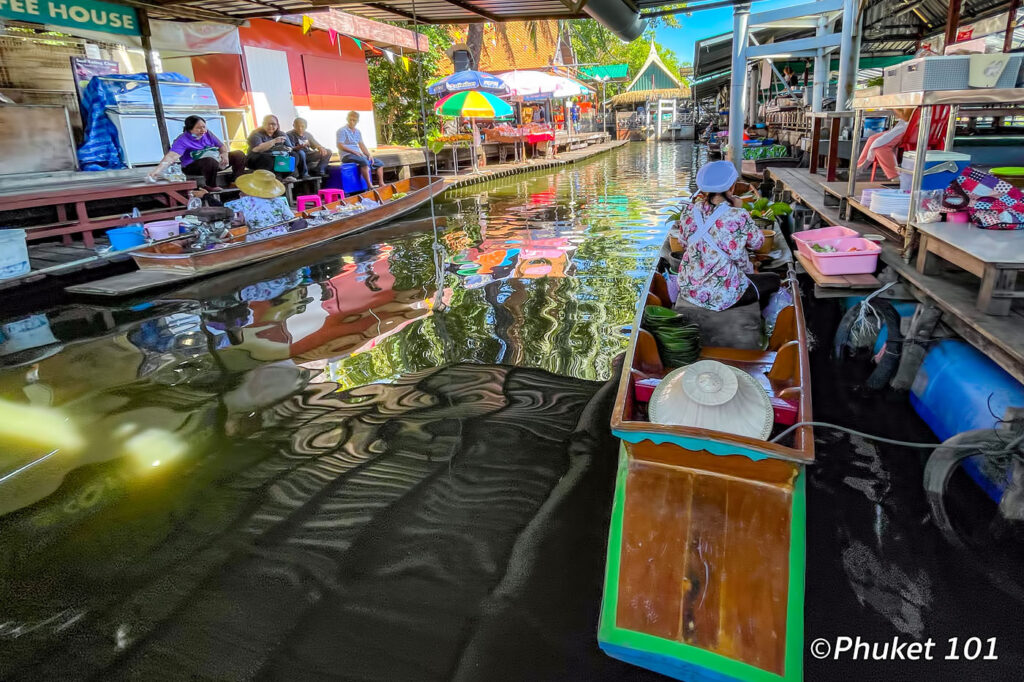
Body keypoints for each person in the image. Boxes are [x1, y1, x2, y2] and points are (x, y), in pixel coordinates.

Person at [675, 160, 779, 311]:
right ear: (732, 186)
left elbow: (683, 243)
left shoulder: (689, 211)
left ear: (703, 190)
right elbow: (758, 243)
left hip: (689, 289)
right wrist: (739, 209)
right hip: (724, 296)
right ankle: (759, 316)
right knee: (774, 280)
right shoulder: (738, 215)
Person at [148, 115, 245, 188]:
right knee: (209, 161)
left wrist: (224, 154)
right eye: (199, 128)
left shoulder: (207, 134)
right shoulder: (182, 140)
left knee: (238, 154)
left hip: (216, 162)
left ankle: (237, 181)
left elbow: (221, 146)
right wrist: (156, 171)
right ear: (190, 129)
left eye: (204, 127)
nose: (203, 130)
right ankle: (211, 186)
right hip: (193, 167)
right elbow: (171, 156)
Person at [225, 169, 295, 242]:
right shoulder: (279, 201)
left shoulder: (244, 201)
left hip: (256, 239)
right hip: (280, 237)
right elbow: (290, 218)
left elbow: (226, 209)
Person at [857, 108, 913, 182]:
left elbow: (906, 117)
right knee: (872, 139)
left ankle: (895, 176)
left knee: (879, 146)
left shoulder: (913, 99)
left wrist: (894, 107)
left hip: (911, 129)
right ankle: (858, 168)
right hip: (905, 126)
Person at [336, 111, 384, 188]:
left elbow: (361, 145)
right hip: (347, 155)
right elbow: (340, 145)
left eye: (354, 120)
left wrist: (368, 154)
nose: (352, 122)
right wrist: (353, 151)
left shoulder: (358, 132)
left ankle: (381, 183)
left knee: (379, 163)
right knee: (364, 161)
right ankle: (369, 185)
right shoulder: (342, 130)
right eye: (350, 120)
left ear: (357, 121)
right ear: (347, 119)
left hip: (358, 155)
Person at [246, 115, 299, 182]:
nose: (270, 126)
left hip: (276, 156)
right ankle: (275, 178)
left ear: (277, 125)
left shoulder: (281, 134)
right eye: (268, 124)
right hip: (257, 158)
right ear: (263, 124)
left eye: (273, 124)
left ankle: (286, 176)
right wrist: (274, 141)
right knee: (268, 158)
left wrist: (285, 150)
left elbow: (290, 147)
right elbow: (256, 149)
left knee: (294, 155)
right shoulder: (256, 134)